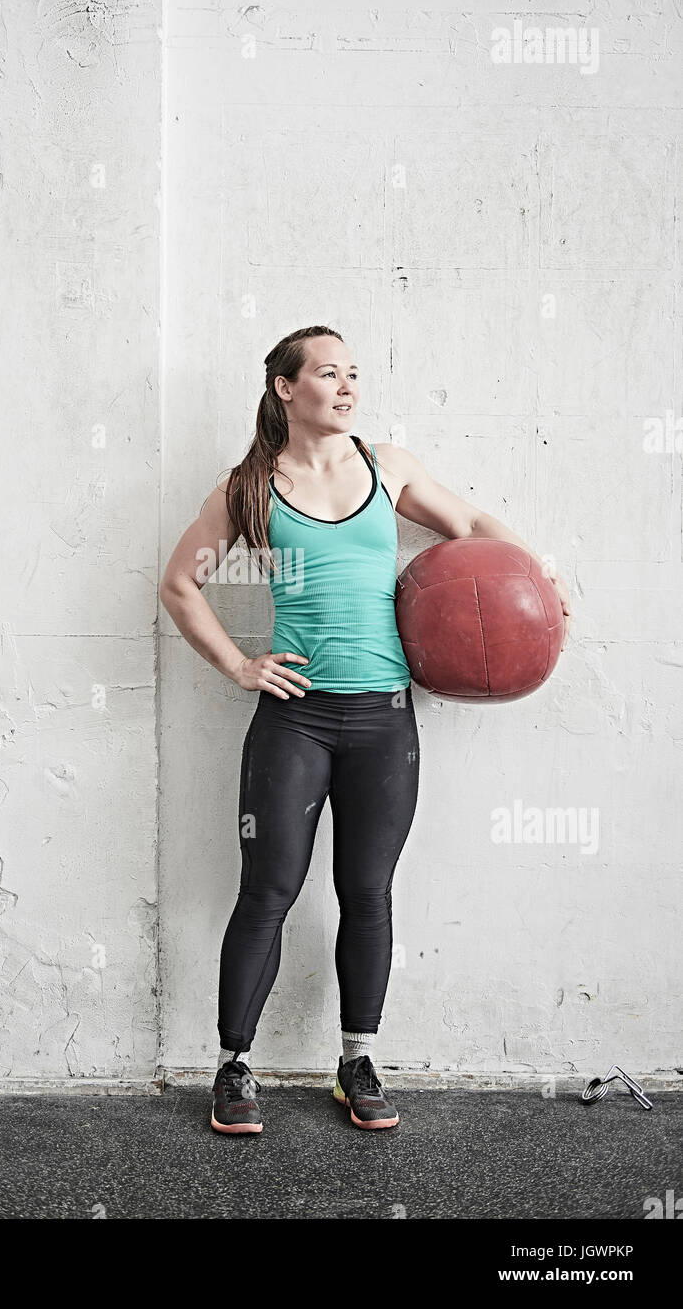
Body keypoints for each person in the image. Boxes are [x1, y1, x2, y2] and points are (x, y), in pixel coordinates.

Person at [158, 324, 572, 1136]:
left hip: (383, 718)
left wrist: (539, 570)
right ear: (285, 388)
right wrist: (242, 666)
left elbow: (471, 524)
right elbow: (179, 585)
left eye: (354, 373)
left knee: (367, 894)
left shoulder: (389, 467)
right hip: (293, 719)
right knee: (268, 893)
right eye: (327, 373)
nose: (347, 387)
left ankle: (357, 1060)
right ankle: (235, 1067)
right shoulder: (249, 486)